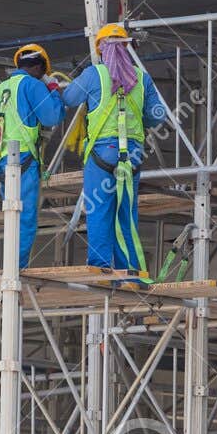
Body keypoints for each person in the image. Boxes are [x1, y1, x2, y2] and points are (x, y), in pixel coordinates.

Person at [60, 24, 169, 277]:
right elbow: (157, 115)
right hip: (132, 154)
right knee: (126, 212)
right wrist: (138, 116)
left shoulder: (94, 74)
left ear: (100, 49)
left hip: (103, 154)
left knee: (99, 211)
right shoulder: (142, 78)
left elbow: (69, 99)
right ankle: (128, 269)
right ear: (128, 48)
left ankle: (100, 267)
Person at [0, 44, 65, 270]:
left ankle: (11, 267)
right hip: (24, 161)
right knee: (25, 219)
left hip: (3, 162)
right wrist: (53, 89)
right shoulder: (32, 84)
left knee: (12, 217)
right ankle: (16, 270)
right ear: (39, 68)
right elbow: (52, 117)